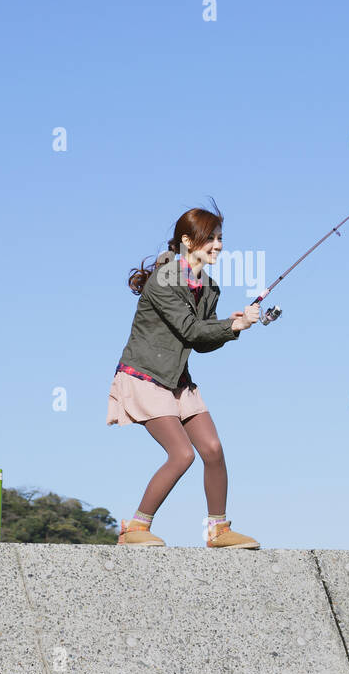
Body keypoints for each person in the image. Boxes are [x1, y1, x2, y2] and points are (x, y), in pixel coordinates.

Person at [106, 203, 261, 548]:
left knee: (212, 448)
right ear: (188, 242)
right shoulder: (164, 280)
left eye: (220, 238)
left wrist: (234, 327)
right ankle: (134, 528)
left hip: (177, 379)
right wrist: (232, 324)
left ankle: (218, 530)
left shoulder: (210, 288)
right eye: (211, 238)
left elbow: (203, 342)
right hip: (144, 376)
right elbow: (191, 330)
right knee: (182, 454)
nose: (218, 245)